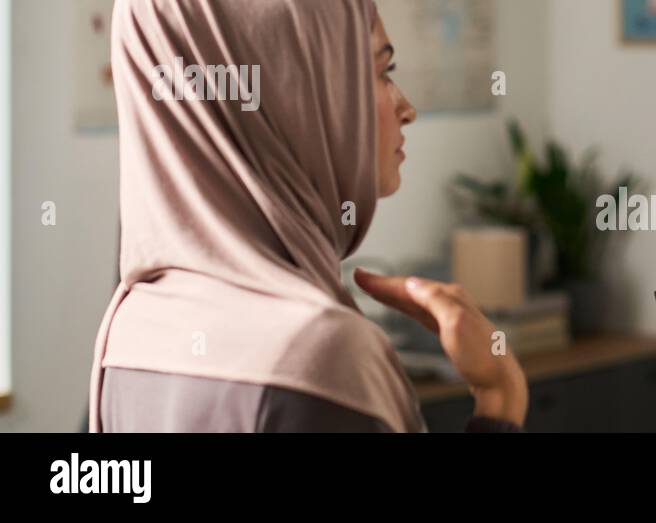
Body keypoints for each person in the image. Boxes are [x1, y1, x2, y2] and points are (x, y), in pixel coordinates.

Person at [89, 0, 525, 432]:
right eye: (381, 72)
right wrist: (500, 398)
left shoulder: (129, 329)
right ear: (291, 96)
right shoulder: (325, 359)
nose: (406, 109)